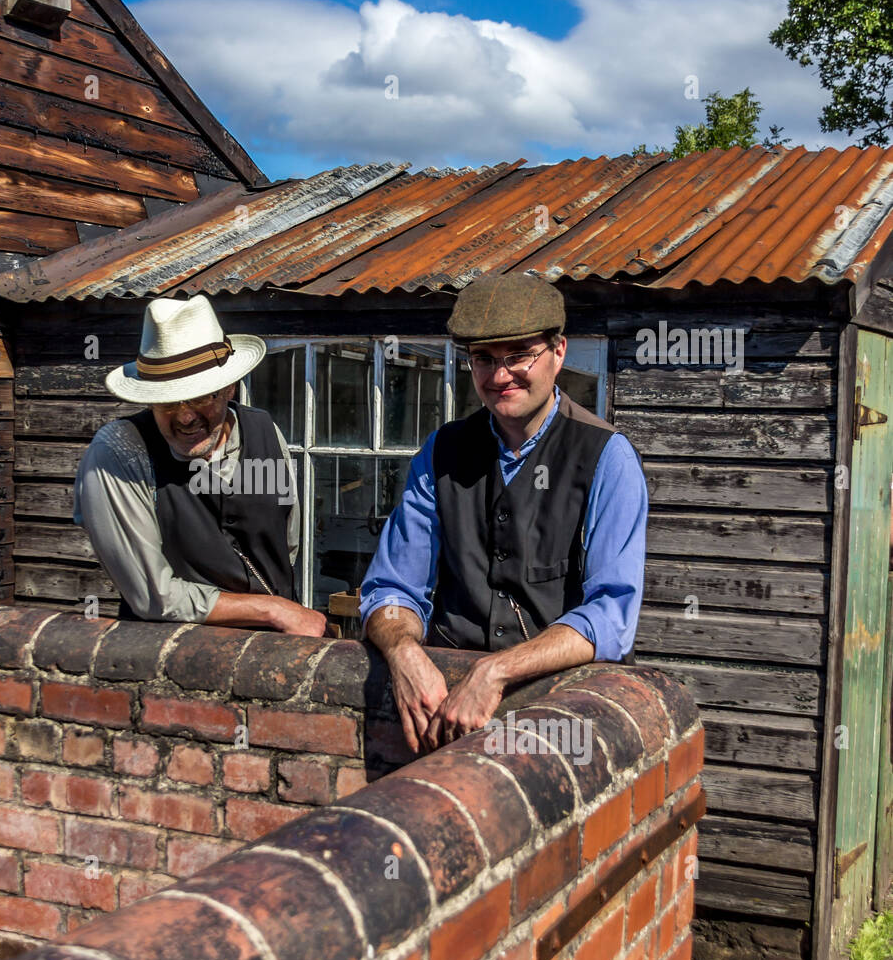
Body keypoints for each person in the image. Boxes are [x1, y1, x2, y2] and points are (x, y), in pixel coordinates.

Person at [360, 272, 648, 754]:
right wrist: (403, 651)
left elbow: (611, 617)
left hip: (562, 722)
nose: (498, 377)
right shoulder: (441, 451)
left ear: (559, 352)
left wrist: (496, 669)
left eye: (519, 356)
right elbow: (391, 588)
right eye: (483, 360)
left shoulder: (606, 457)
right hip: (445, 721)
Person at [75, 293, 327, 637]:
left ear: (230, 387)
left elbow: (288, 544)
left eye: (200, 396)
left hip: (277, 653)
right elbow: (152, 595)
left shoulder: (265, 431)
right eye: (166, 402)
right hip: (174, 660)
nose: (185, 416)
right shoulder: (119, 452)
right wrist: (271, 609)